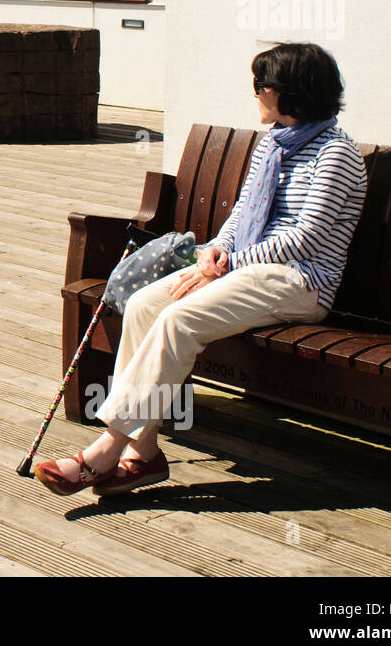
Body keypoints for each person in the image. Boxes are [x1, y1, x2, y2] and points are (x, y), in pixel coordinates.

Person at [36, 42, 368, 497]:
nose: (254, 94)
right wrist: (216, 250)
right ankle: (145, 451)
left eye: (260, 86)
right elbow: (242, 215)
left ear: (287, 93)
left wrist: (228, 261)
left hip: (300, 281)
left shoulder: (336, 155)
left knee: (178, 319)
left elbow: (306, 238)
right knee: (145, 304)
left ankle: (106, 449)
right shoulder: (273, 144)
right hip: (245, 268)